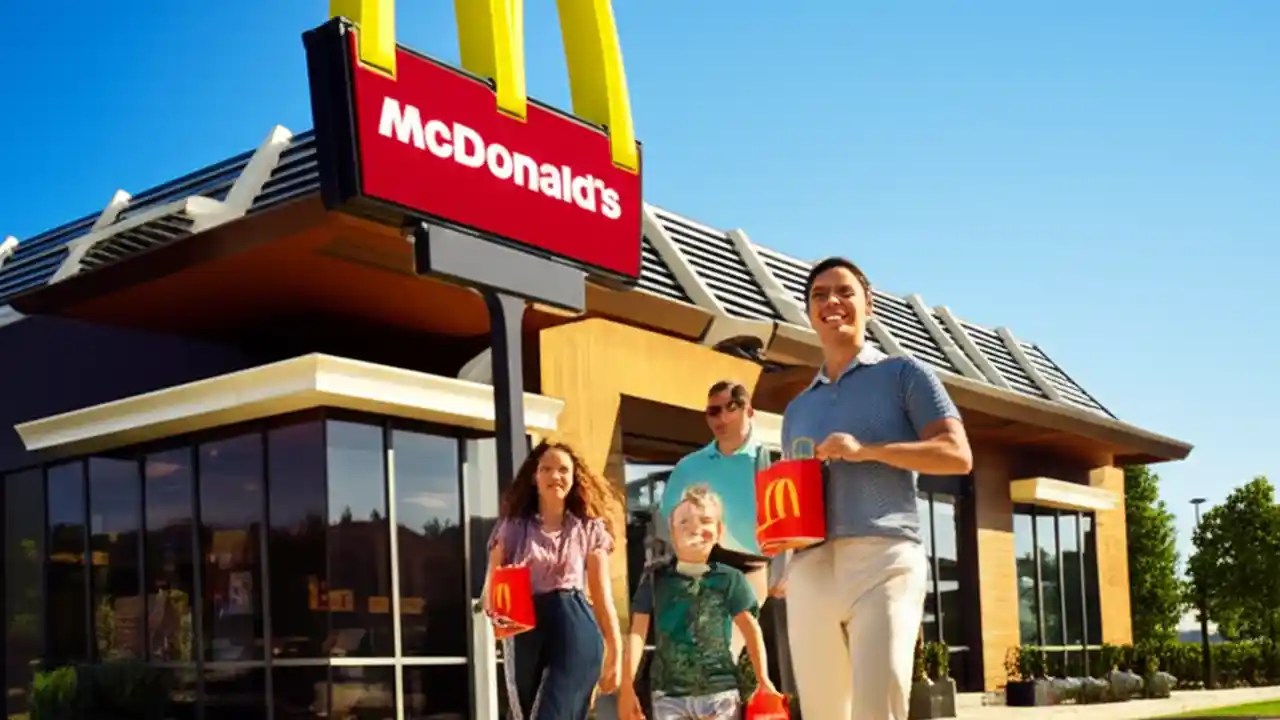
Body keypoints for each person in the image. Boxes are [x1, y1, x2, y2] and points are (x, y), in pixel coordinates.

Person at [772, 256, 973, 720]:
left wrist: (866, 450)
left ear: (869, 304)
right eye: (819, 296)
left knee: (877, 708)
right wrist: (780, 557)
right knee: (823, 712)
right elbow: (794, 492)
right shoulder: (798, 408)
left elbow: (957, 454)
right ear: (809, 312)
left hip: (884, 558)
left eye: (844, 291)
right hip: (811, 567)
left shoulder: (905, 375)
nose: (832, 302)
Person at [484, 440, 623, 720]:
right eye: (546, 469)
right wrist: (499, 602)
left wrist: (615, 651)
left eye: (563, 470)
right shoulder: (513, 528)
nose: (555, 476)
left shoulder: (588, 528)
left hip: (574, 625)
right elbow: (491, 589)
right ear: (535, 477)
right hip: (525, 630)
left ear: (574, 478)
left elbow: (601, 594)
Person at [620, 485, 777, 720]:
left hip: (720, 693)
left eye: (705, 520)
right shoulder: (655, 579)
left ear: (719, 530)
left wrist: (763, 678)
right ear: (672, 533)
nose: (695, 528)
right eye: (685, 522)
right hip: (668, 695)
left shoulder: (729, 579)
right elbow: (637, 635)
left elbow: (750, 628)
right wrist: (626, 686)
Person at [656, 380, 771, 619]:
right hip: (712, 568)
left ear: (749, 411)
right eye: (713, 411)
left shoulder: (773, 458)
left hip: (767, 566)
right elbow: (668, 523)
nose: (722, 418)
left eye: (731, 407)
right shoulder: (688, 467)